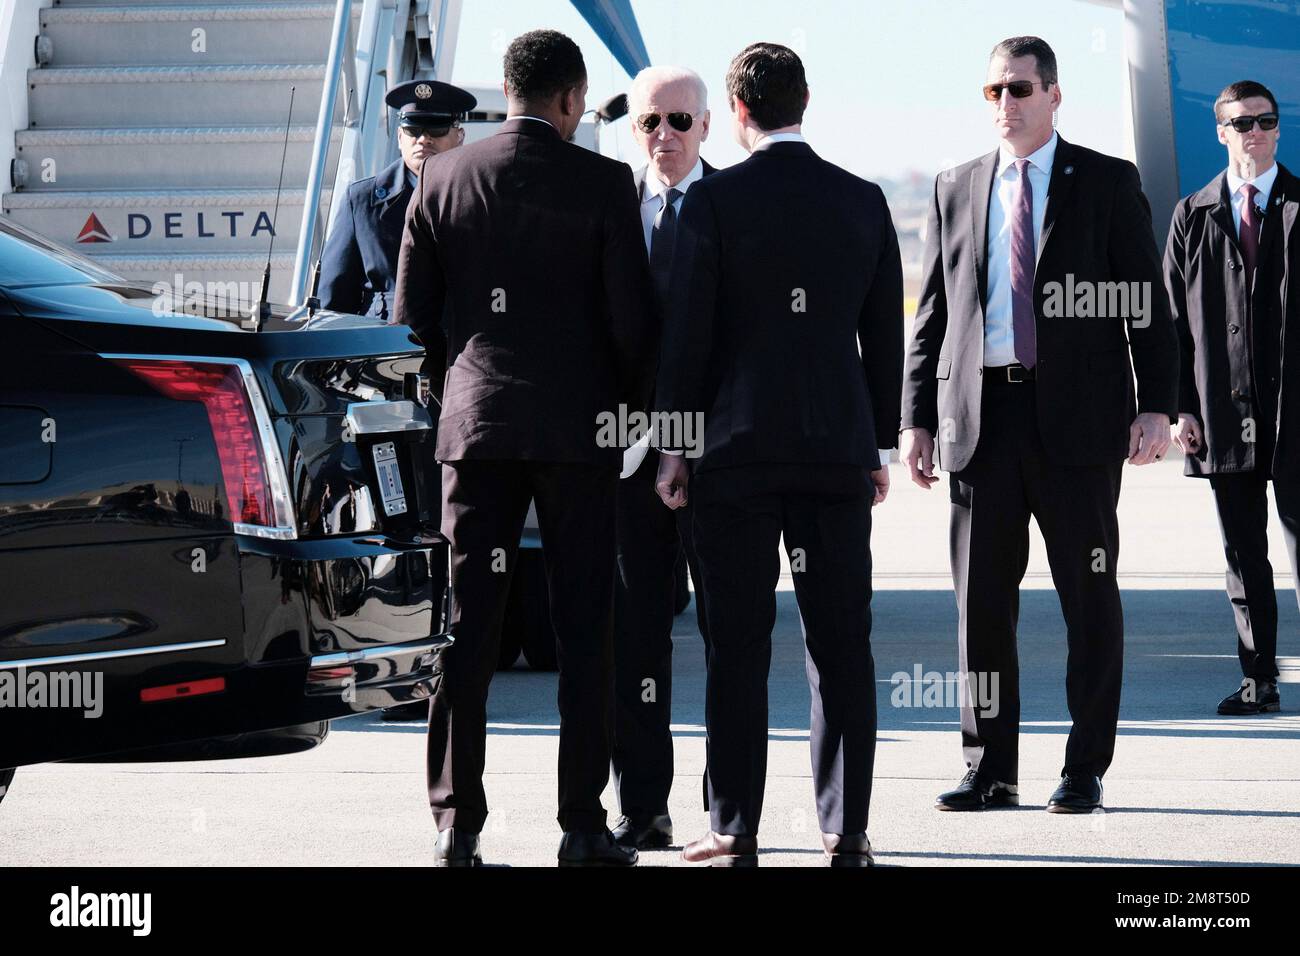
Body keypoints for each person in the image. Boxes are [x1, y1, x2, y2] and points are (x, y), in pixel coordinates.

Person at [393, 29, 657, 867]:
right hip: (579, 435)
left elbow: (412, 322)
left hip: (475, 432)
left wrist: (456, 392)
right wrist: (632, 414)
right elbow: (630, 322)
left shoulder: (441, 175)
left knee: (467, 628)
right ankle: (581, 825)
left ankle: (454, 826)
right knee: (586, 628)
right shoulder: (606, 182)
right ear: (573, 99)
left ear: (506, 93)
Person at [900, 36, 1179, 814]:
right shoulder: (957, 186)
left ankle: (1083, 767)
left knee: (1087, 599)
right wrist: (915, 418)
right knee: (980, 607)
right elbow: (934, 316)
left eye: (1019, 89)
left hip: (1079, 427)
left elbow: (1145, 305)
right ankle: (990, 767)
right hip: (979, 424)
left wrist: (1157, 404)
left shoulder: (1107, 182)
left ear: (1054, 95)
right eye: (992, 92)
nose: (1005, 105)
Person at [654, 42, 903, 867]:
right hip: (835, 451)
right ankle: (849, 830)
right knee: (840, 647)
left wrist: (674, 449)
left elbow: (688, 338)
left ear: (737, 113)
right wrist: (877, 446)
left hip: (735, 454)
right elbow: (882, 339)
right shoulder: (862, 200)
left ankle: (733, 828)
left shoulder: (713, 203)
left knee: (738, 648)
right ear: (806, 102)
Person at [609, 64, 717, 852]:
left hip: (717, 458)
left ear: (708, 125)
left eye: (680, 120)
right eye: (650, 122)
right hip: (624, 459)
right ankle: (643, 804)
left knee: (729, 635)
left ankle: (728, 808)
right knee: (635, 637)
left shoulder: (735, 207)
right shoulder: (609, 211)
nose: (665, 136)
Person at [1165, 79, 1298, 716]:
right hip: (1224, 414)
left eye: (1266, 120)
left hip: (1295, 414)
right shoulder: (1194, 213)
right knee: (1243, 558)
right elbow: (1170, 323)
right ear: (1221, 131)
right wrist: (1181, 406)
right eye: (1241, 122)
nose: (1255, 132)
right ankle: (1259, 681)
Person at [317, 79, 475, 321]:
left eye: (436, 127)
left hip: (457, 348)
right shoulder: (362, 201)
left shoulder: (479, 199)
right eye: (413, 129)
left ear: (460, 136)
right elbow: (334, 299)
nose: (423, 139)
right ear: (400, 137)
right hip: (383, 347)